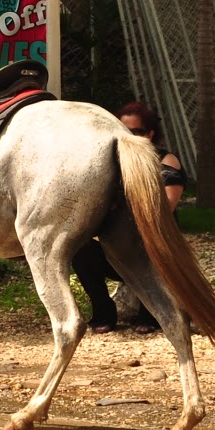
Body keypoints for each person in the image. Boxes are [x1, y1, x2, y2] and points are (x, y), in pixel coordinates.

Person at [73, 101, 185, 332]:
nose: (131, 137)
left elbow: (166, 208)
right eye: (125, 132)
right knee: (81, 250)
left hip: (153, 251)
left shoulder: (166, 161)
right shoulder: (112, 164)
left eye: (137, 132)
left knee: (151, 243)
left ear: (150, 134)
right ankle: (103, 312)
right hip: (117, 251)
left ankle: (151, 314)